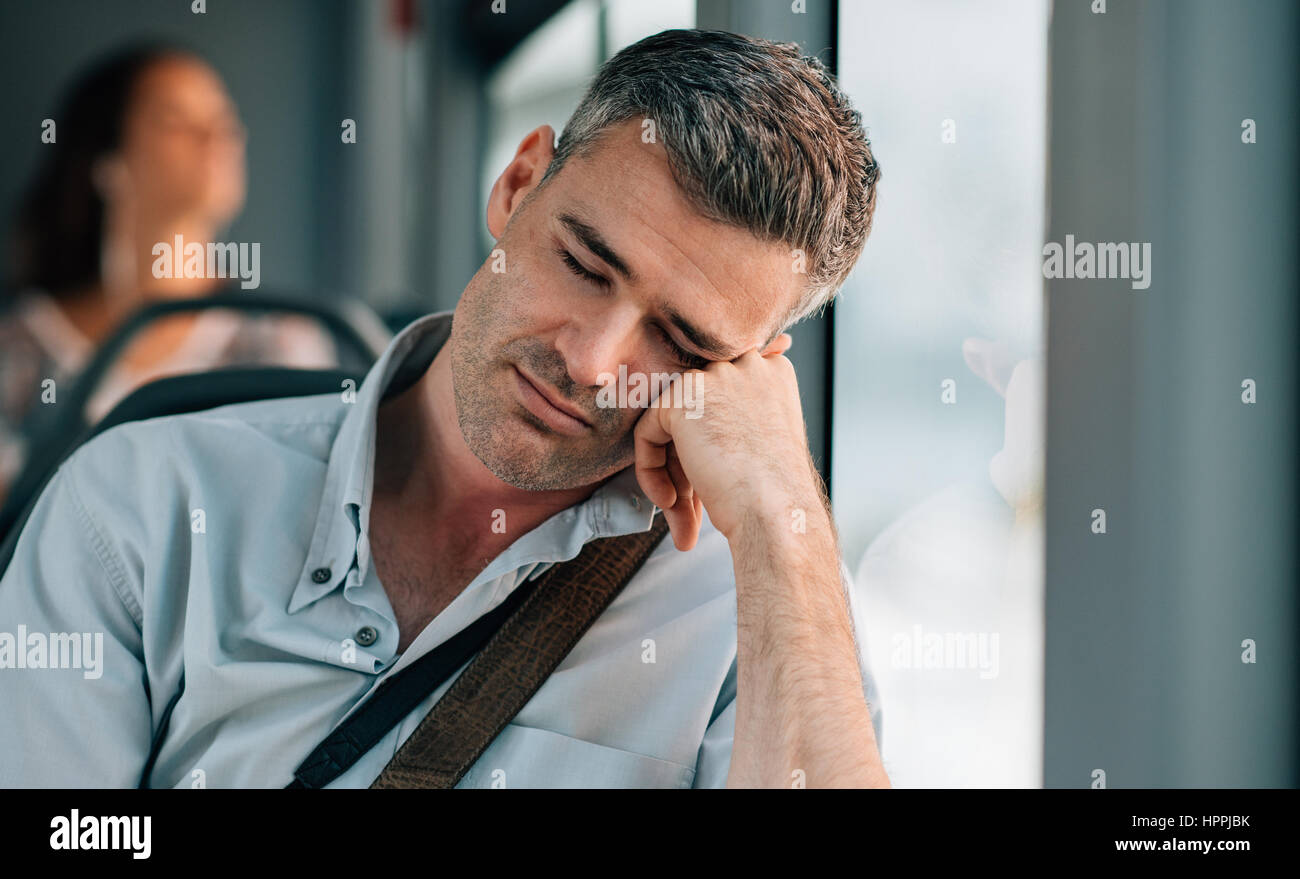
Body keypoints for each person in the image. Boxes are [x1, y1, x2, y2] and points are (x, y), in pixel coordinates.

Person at [0, 29, 886, 788]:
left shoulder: (756, 615)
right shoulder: (137, 508)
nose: (589, 361)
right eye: (583, 264)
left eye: (682, 342)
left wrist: (782, 519)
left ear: (753, 372)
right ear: (517, 185)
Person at [0, 45, 336, 506]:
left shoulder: (280, 345)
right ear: (107, 162)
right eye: (176, 120)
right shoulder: (20, 349)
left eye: (225, 120)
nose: (216, 137)